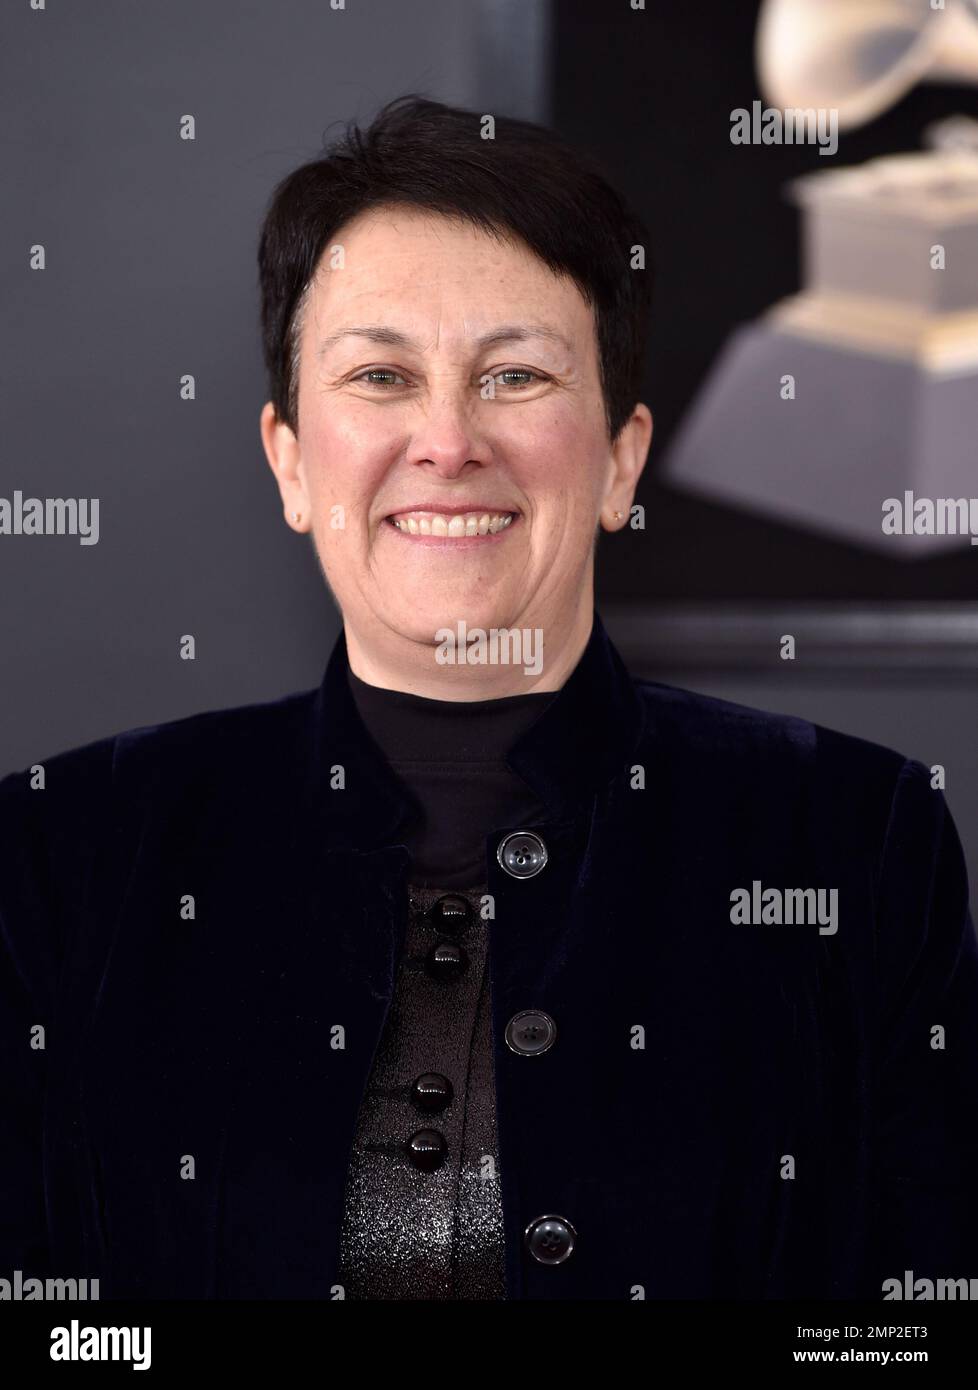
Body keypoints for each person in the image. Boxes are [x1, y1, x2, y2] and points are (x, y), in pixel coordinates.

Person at [1, 95, 976, 1301]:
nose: (448, 439)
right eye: (380, 375)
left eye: (514, 374)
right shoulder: (66, 847)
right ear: (292, 460)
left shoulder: (854, 835)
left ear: (621, 459)